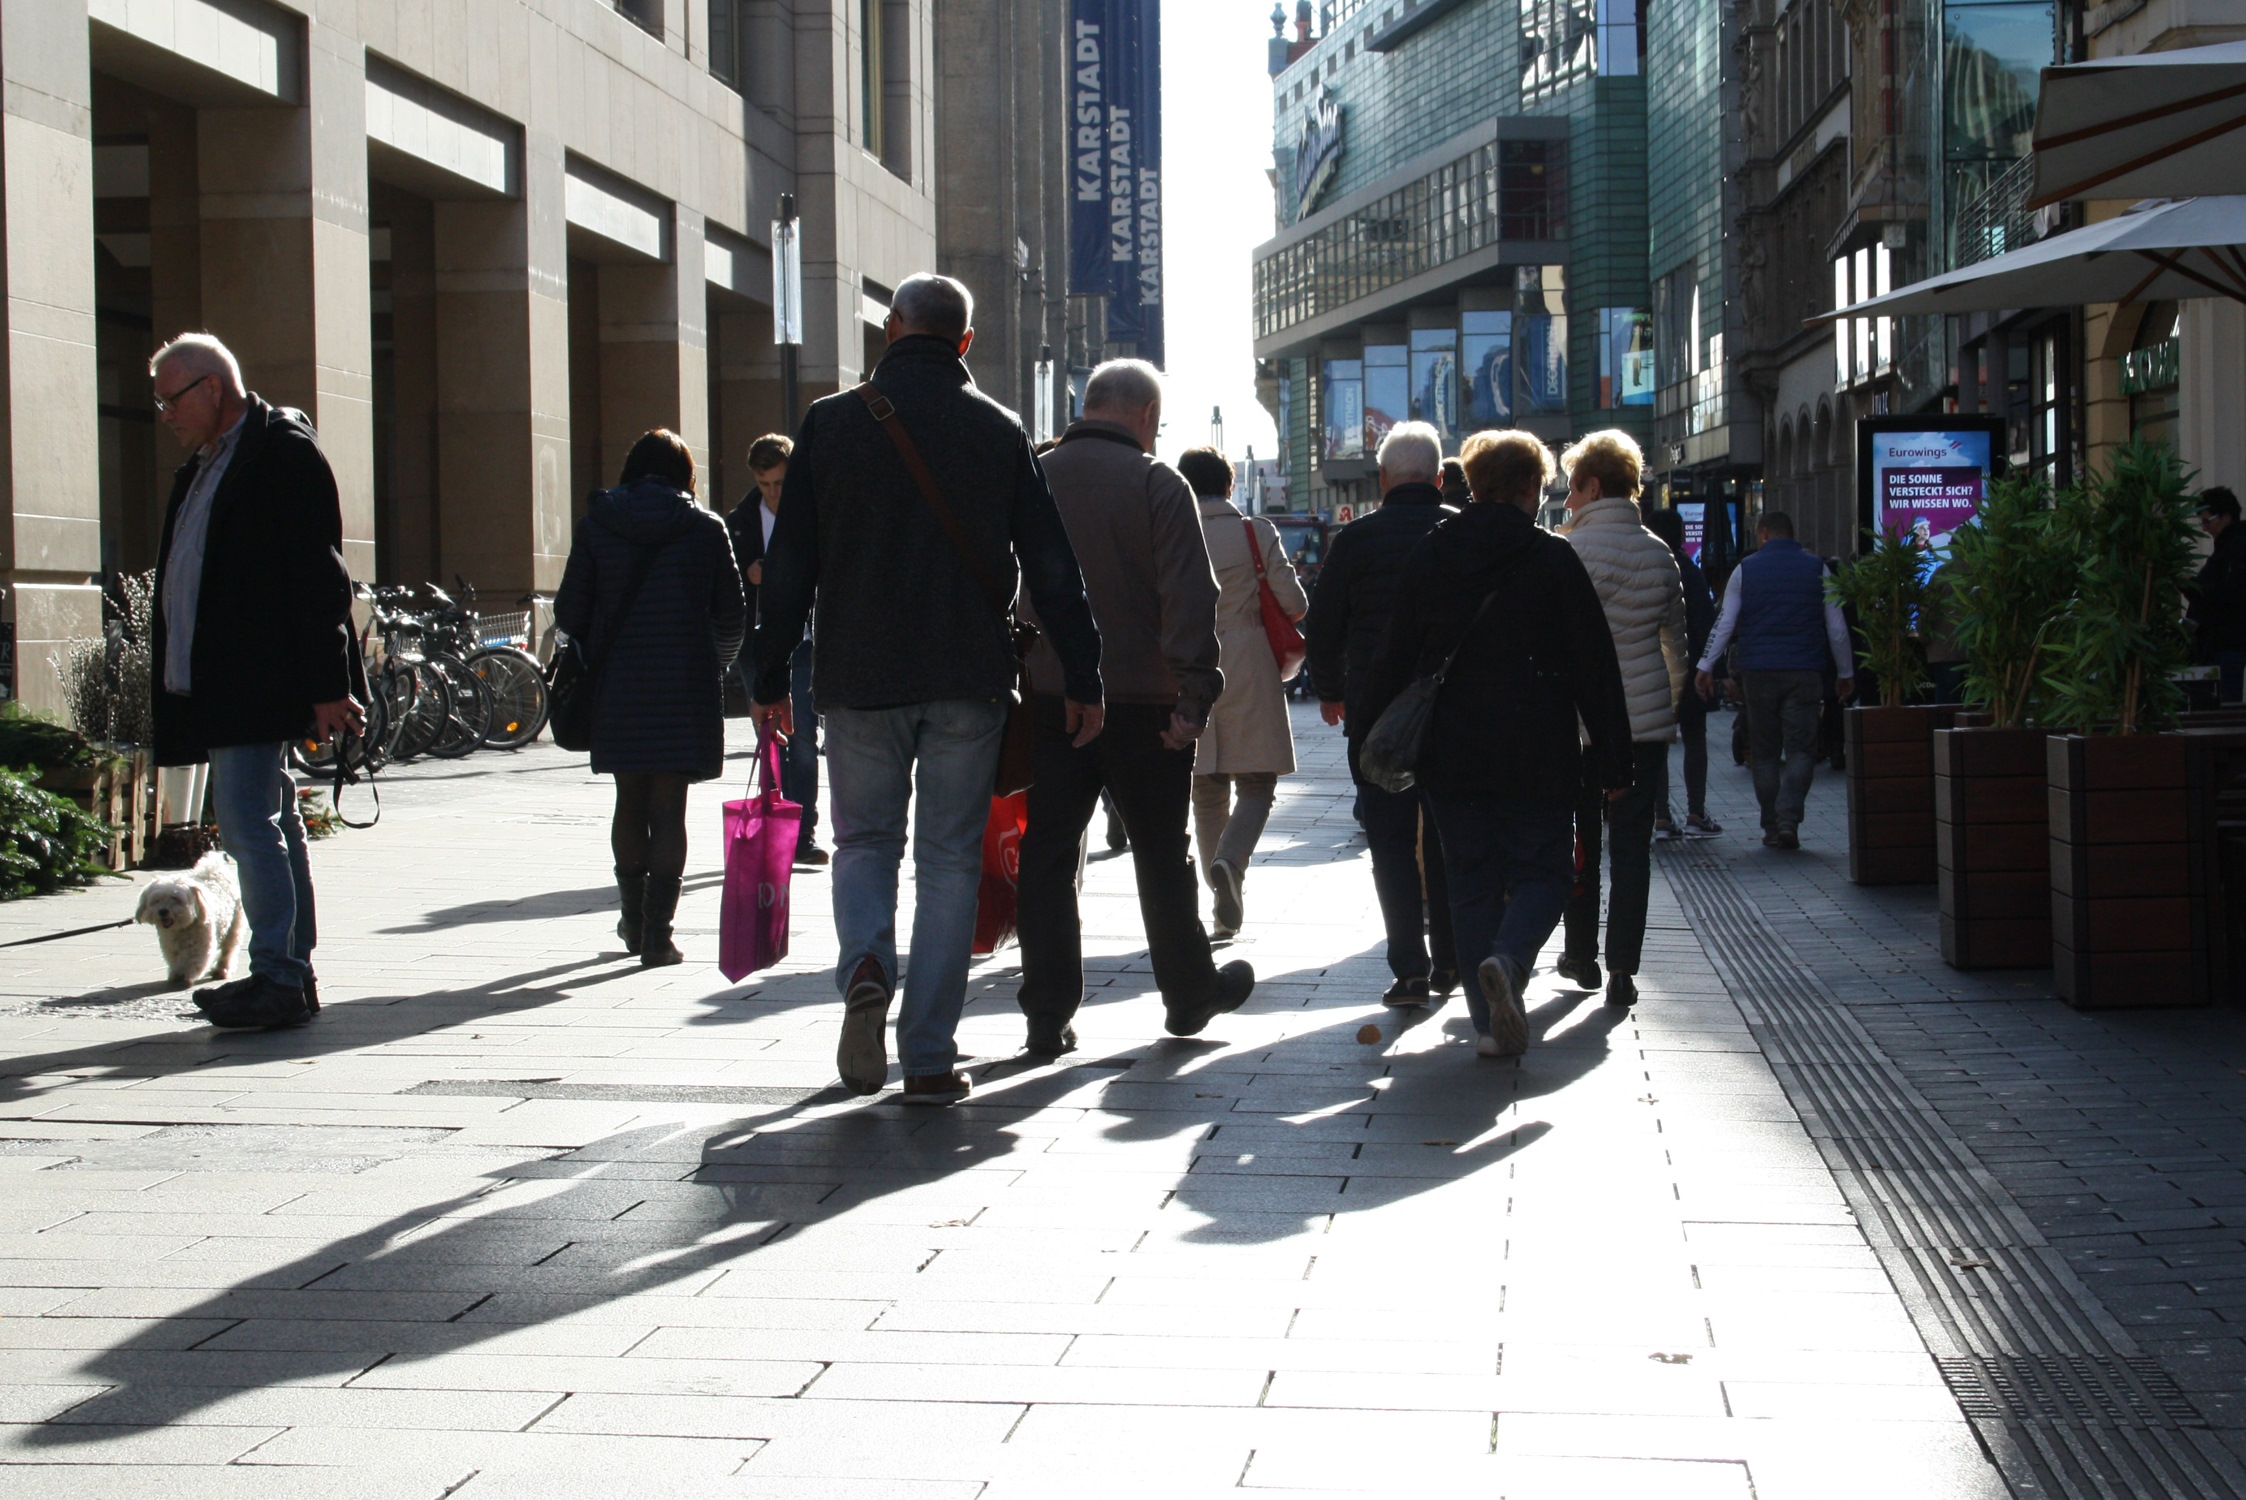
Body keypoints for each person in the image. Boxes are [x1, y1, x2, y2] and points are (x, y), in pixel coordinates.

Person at [753, 273, 1103, 1105]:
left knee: (865, 841)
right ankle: (930, 1056)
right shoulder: (998, 428)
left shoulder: (831, 424)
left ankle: (867, 966)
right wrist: (1083, 672)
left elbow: (791, 568)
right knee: (948, 861)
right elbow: (1054, 566)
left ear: (889, 330)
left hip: (857, 673)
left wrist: (766, 675)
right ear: (967, 343)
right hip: (967, 676)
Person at [1368, 430, 1632, 1058]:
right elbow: (1594, 665)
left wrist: (1372, 740)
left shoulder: (1433, 554)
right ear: (1527, 488)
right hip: (1537, 745)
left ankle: (1489, 1027)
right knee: (1546, 869)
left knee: (1469, 879)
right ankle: (1510, 962)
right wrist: (1616, 759)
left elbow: (1394, 655)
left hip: (1451, 749)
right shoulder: (1550, 558)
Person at [1016, 363, 1254, 1056]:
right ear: (1147, 415)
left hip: (1052, 695)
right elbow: (1188, 594)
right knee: (1160, 850)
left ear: (1087, 405)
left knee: (1051, 851)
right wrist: (1195, 693)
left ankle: (1047, 1010)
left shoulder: (1036, 472)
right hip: (1143, 700)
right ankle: (1187, 993)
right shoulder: (1156, 482)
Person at [148, 333, 359, 1030]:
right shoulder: (208, 462)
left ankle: (278, 974)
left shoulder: (279, 452)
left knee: (247, 825)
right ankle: (288, 969)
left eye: (171, 398)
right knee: (277, 822)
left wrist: (329, 684)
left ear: (212, 388)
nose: (165, 414)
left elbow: (318, 574)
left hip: (255, 678)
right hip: (223, 678)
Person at [555, 429, 747, 968]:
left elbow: (569, 613)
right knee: (670, 807)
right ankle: (658, 936)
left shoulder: (598, 524)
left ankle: (633, 919)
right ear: (685, 473)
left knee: (629, 799)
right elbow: (731, 615)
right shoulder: (706, 528)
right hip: (683, 686)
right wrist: (718, 661)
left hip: (617, 685)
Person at [1307, 421, 1460, 1007]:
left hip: (1376, 713)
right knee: (1450, 835)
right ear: (1440, 478)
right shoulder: (1460, 533)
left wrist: (1329, 689)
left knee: (1391, 842)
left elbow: (1324, 627)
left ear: (1382, 479)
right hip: (1453, 711)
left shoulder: (1356, 540)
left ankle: (1410, 968)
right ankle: (1451, 959)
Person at [1556, 431, 1687, 1010]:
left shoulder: (1568, 552)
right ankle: (1624, 969)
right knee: (1633, 848)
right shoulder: (1660, 555)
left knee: (1579, 839)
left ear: (1592, 485)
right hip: (1645, 729)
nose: (1566, 501)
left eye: (1571, 488)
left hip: (1579, 726)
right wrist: (1663, 707)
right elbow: (1676, 651)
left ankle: (1580, 951)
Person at [1177, 446, 1309, 938]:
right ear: (1229, 485)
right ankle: (1231, 862)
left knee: (1206, 787)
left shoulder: (1172, 529)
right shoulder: (1256, 532)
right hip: (1249, 659)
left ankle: (1220, 900)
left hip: (1188, 660)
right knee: (1256, 783)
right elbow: (1294, 603)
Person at [1694, 511, 1855, 849]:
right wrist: (1845, 673)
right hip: (1805, 671)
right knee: (1801, 751)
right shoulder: (1819, 568)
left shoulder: (1745, 570)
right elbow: (1837, 629)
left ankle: (1770, 823)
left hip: (1759, 673)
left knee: (1765, 754)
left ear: (1764, 533)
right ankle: (1788, 819)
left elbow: (1725, 622)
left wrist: (1706, 666)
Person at [726, 434, 826, 865]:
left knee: (802, 738)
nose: (774, 492)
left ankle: (802, 832)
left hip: (804, 642)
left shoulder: (812, 512)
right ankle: (774, 828)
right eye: (765, 483)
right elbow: (724, 586)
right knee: (770, 738)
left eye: (781, 482)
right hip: (758, 645)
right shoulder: (740, 522)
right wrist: (748, 573)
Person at [1644, 507, 1721, 838]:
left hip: (1654, 669)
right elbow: (1705, 624)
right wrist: (1710, 668)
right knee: (1695, 737)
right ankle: (1695, 812)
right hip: (1689, 669)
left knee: (1658, 742)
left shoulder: (1646, 569)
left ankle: (1661, 817)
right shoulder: (1690, 572)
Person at [2192, 486, 2246, 703]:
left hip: (2227, 641)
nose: (2205, 528)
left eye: (2208, 521)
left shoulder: (2236, 548)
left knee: (2222, 705)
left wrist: (2195, 587)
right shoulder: (2226, 548)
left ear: (2225, 517)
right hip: (2218, 642)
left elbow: (2231, 593)